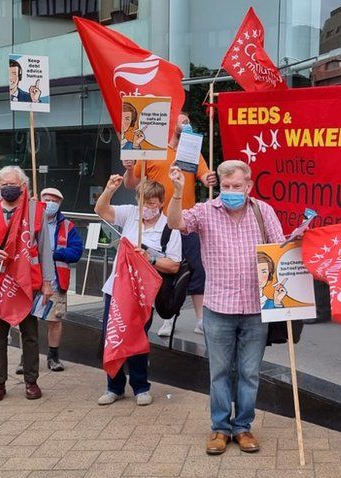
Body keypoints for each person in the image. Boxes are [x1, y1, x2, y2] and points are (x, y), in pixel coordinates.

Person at [167, 160, 284, 455]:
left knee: (249, 372)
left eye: (237, 186)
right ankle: (220, 428)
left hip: (256, 308)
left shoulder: (263, 211)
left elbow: (280, 249)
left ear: (249, 185)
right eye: (226, 186)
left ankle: (242, 427)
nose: (231, 191)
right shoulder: (206, 211)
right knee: (218, 372)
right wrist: (178, 192)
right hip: (218, 307)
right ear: (218, 184)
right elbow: (174, 223)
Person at [123, 112, 218, 337]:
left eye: (188, 120)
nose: (186, 124)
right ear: (170, 125)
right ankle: (167, 318)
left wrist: (210, 179)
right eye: (182, 120)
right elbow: (131, 183)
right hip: (160, 224)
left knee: (196, 269)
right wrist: (128, 168)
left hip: (187, 222)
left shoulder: (192, 151)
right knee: (166, 271)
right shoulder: (153, 151)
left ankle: (200, 319)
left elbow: (204, 176)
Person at [94, 176, 181, 406]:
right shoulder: (131, 214)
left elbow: (173, 265)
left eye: (152, 203)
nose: (147, 208)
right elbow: (101, 210)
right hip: (117, 289)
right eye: (144, 202)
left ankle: (141, 386)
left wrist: (150, 258)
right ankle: (114, 386)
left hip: (143, 295)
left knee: (136, 338)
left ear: (161, 202)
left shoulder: (169, 227)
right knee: (111, 336)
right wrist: (109, 189)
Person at [0, 166, 56, 402]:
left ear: (23, 186)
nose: (7, 188)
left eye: (12, 184)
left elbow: (44, 249)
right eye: (3, 185)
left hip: (26, 282)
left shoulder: (34, 211)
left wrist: (47, 282)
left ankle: (31, 381)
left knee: (30, 334)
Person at [35, 187, 84, 373]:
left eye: (54, 200)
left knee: (55, 320)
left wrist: (55, 254)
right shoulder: (30, 221)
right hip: (31, 281)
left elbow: (76, 251)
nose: (49, 203)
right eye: (46, 199)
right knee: (27, 321)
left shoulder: (67, 226)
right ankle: (26, 358)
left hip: (57, 282)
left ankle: (53, 357)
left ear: (60, 203)